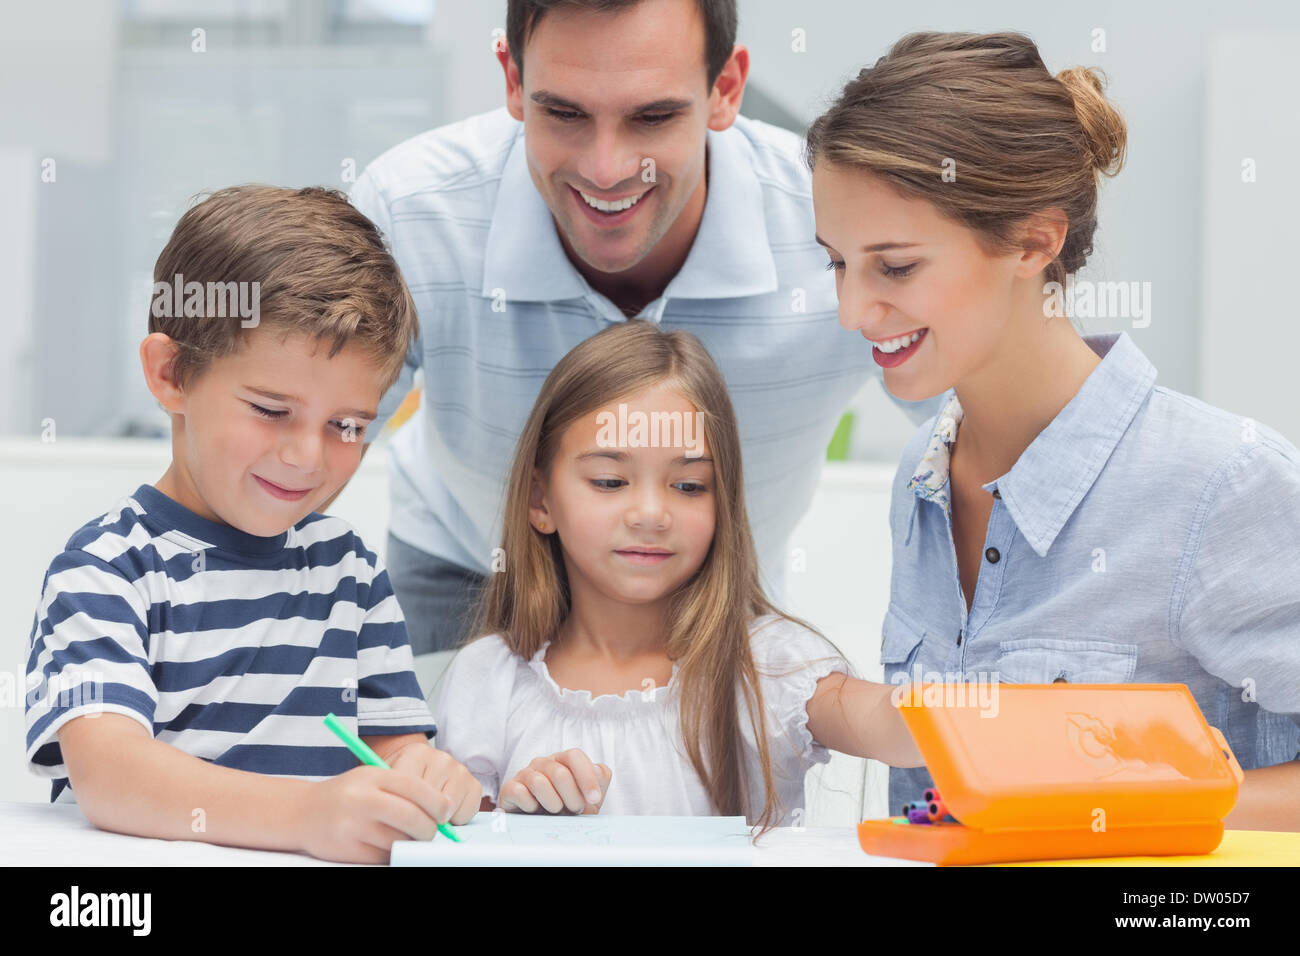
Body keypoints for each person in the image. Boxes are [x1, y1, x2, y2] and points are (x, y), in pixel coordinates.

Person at [805, 31, 1300, 830]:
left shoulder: (1222, 487)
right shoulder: (921, 478)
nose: (853, 311)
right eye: (837, 262)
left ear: (1036, 241)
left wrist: (1153, 800)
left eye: (895, 268)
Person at [344, 0, 936, 656]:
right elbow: (291, 434)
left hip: (710, 593)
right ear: (513, 82)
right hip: (472, 573)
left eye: (653, 116)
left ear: (726, 89)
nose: (607, 170)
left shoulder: (834, 227)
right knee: (437, 755)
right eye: (564, 113)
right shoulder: (412, 212)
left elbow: (994, 426)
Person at [24, 185, 480, 864]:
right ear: (172, 373)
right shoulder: (106, 570)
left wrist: (428, 779)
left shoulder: (350, 574)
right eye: (271, 409)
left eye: (347, 425)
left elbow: (397, 752)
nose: (307, 456)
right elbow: (110, 776)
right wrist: (306, 816)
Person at [431, 320, 923, 836]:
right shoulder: (487, 679)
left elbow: (898, 724)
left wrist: (984, 702)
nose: (650, 513)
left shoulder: (768, 666)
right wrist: (523, 830)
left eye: (688, 486)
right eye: (609, 481)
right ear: (539, 500)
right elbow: (459, 844)